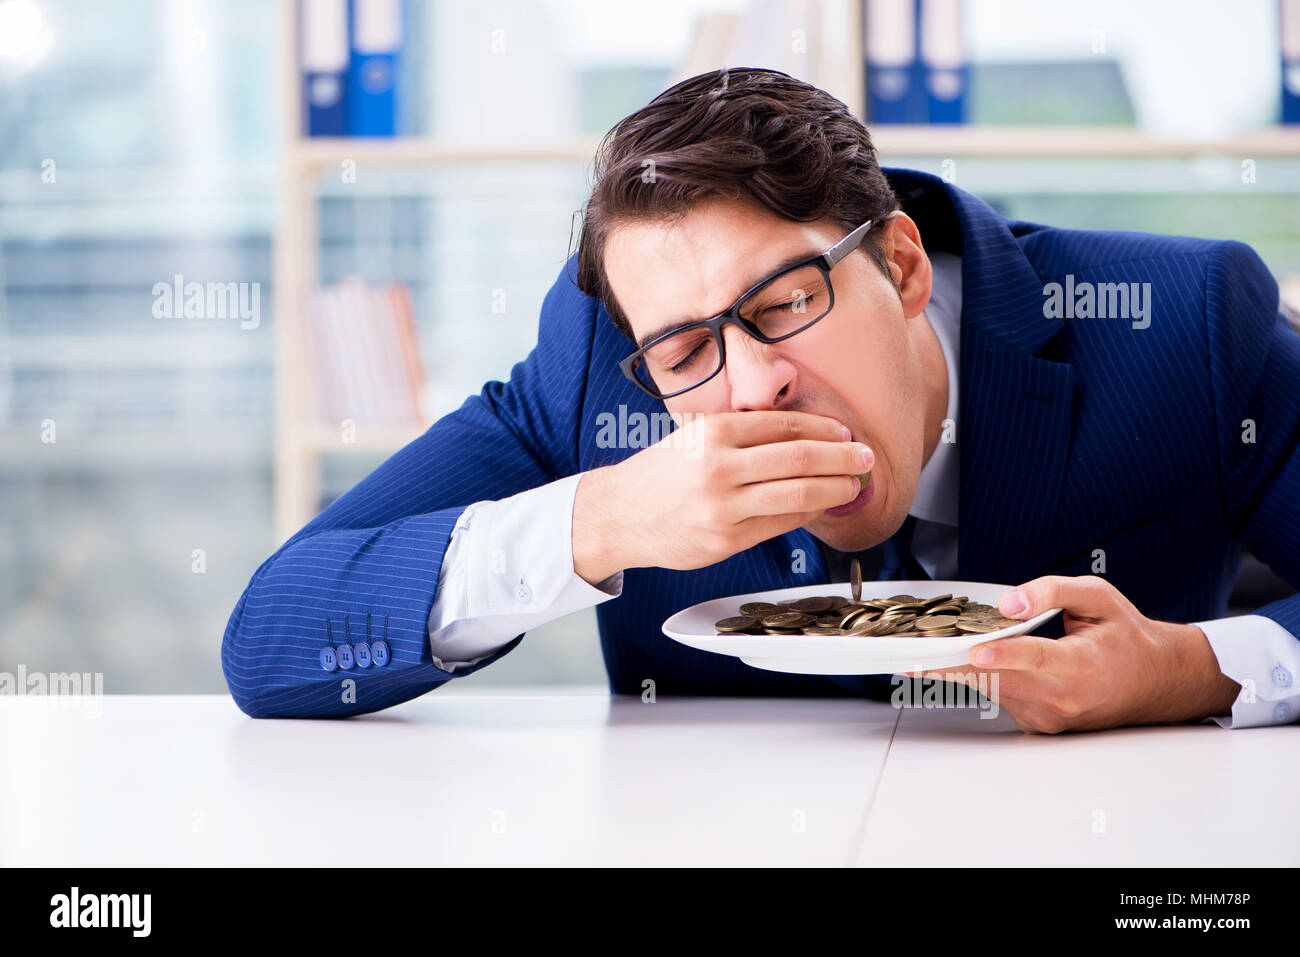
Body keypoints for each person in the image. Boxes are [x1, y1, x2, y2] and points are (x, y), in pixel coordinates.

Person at [222, 68, 1300, 731]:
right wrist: (595, 522)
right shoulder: (604, 370)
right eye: (690, 349)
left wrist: (1190, 668)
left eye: (785, 302)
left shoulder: (1183, 322)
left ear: (905, 266)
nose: (751, 384)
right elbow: (271, 637)